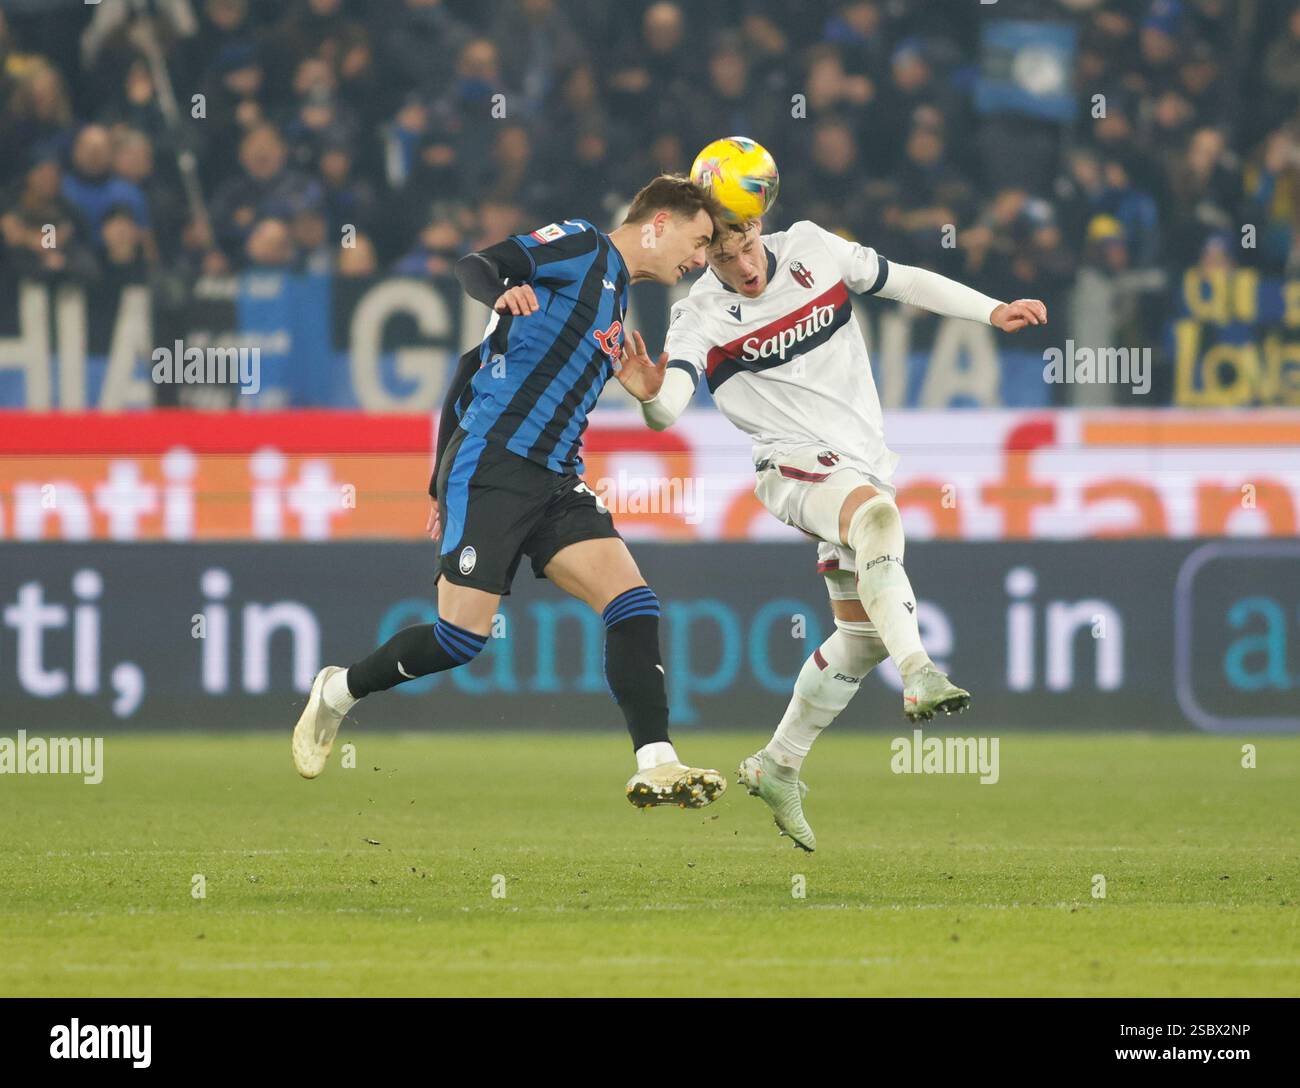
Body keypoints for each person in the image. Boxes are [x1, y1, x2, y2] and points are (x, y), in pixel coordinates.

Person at [293, 175, 731, 810]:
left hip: (556, 478)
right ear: (658, 222)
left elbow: (474, 362)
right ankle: (338, 691)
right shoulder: (582, 245)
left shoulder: (614, 304)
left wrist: (641, 390)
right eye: (698, 241)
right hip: (495, 466)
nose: (698, 259)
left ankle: (657, 760)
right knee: (460, 640)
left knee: (632, 603)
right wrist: (503, 287)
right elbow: (480, 266)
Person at [616, 215, 1046, 849]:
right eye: (725, 257)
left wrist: (992, 311)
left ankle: (777, 764)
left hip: (859, 460)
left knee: (862, 637)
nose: (745, 267)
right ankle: (921, 670)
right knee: (877, 519)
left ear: (761, 228)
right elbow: (668, 407)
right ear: (706, 256)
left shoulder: (814, 247)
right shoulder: (698, 315)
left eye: (749, 248)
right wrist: (648, 395)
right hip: (792, 467)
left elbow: (903, 283)